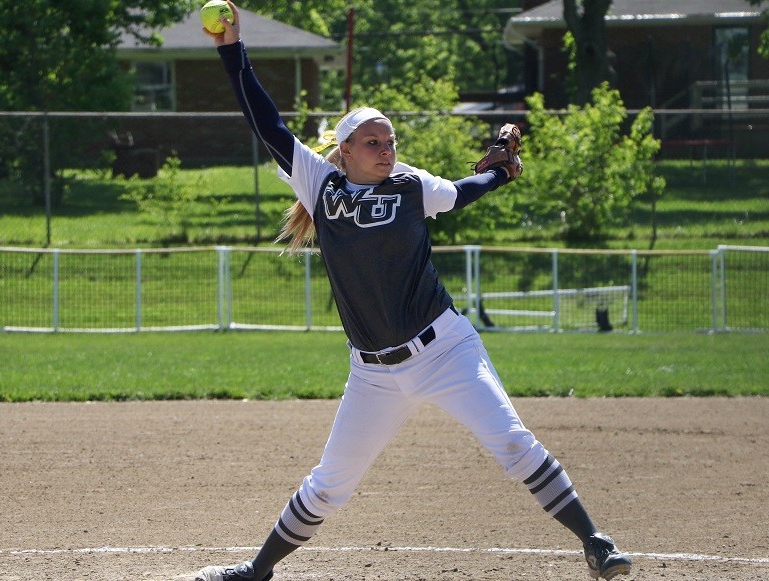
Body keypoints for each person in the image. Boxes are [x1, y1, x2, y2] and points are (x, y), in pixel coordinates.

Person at [194, 4, 632, 580]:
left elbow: (460, 191)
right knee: (329, 484)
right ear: (344, 150)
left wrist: (500, 172)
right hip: (373, 371)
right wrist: (233, 51)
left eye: (390, 140)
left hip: (446, 349)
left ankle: (595, 542)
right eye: (371, 141)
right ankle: (257, 572)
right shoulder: (320, 184)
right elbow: (267, 123)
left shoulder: (410, 186)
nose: (385, 148)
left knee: (512, 442)